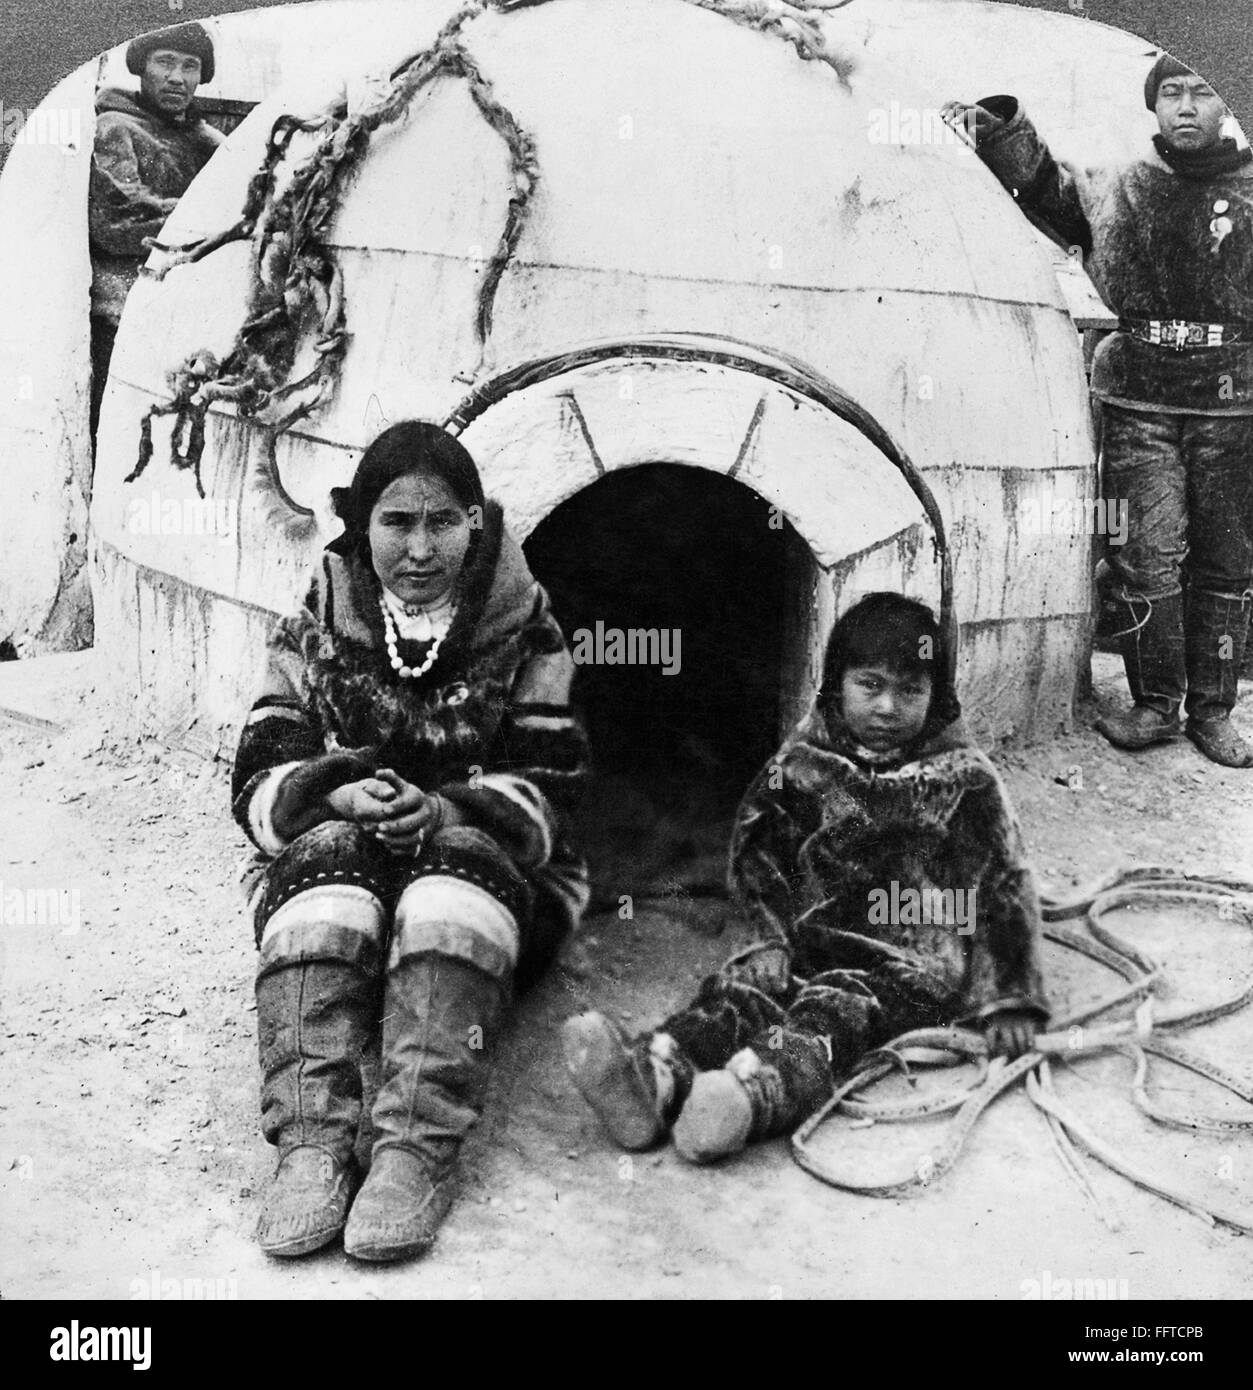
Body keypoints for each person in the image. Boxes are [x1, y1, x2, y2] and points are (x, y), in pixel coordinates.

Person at [231, 421, 590, 1261]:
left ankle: (411, 1153)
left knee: (447, 896)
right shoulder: (321, 615)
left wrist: (447, 813)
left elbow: (550, 786)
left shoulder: (525, 627)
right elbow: (265, 752)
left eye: (442, 522)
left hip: (478, 854)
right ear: (362, 526)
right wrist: (334, 791)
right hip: (349, 842)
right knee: (322, 884)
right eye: (396, 523)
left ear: (475, 520)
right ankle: (312, 1145)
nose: (420, 548)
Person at [563, 593, 1048, 1163]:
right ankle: (654, 1077)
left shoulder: (963, 779)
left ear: (937, 697)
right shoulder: (805, 762)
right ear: (835, 683)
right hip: (808, 937)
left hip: (906, 960)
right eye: (870, 685)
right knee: (739, 995)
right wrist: (768, 937)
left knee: (831, 1013)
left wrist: (1011, 996)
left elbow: (1003, 882)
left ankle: (747, 1098)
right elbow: (758, 850)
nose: (888, 707)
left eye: (911, 691)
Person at [942, 57, 1253, 767]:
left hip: (1235, 400)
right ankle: (1153, 704)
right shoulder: (1123, 184)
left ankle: (1212, 711)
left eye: (1200, 90)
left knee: (1227, 565)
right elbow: (1049, 192)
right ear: (1152, 106)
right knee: (1144, 557)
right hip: (1141, 395)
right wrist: (998, 130)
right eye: (1170, 92)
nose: (1184, 106)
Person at [89, 22, 224, 443]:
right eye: (164, 62)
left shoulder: (214, 145)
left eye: (190, 66)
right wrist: (202, 223)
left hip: (191, 317)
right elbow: (116, 222)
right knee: (120, 430)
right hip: (125, 314)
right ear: (141, 69)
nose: (176, 77)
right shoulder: (115, 128)